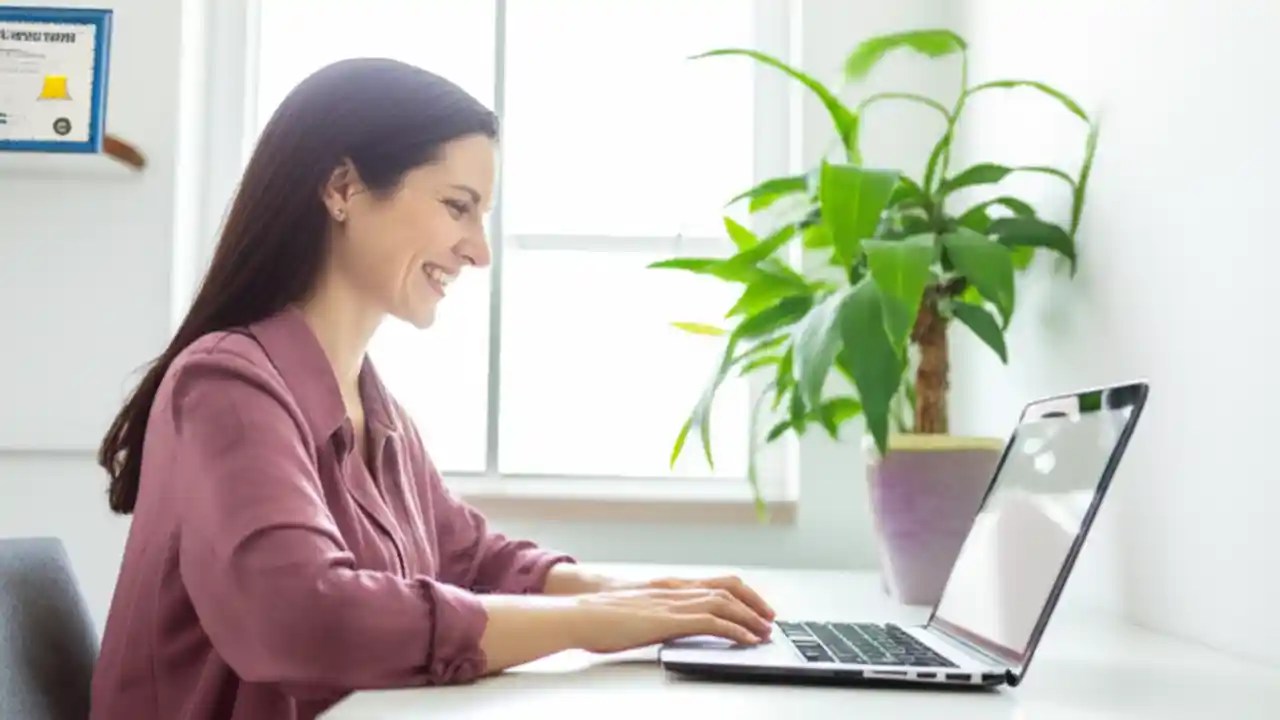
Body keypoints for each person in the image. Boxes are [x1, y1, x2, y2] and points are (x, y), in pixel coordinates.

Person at [88, 58, 775, 720]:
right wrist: (590, 622)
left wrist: (639, 595)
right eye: (458, 207)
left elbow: (470, 559)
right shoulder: (226, 385)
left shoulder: (369, 404)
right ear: (342, 188)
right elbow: (301, 617)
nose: (479, 250)